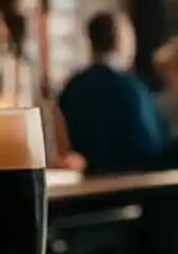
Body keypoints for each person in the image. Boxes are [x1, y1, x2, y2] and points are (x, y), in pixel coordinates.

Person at [58, 12, 165, 173]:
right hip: (131, 182)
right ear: (121, 41)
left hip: (86, 181)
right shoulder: (131, 88)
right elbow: (149, 144)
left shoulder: (73, 86)